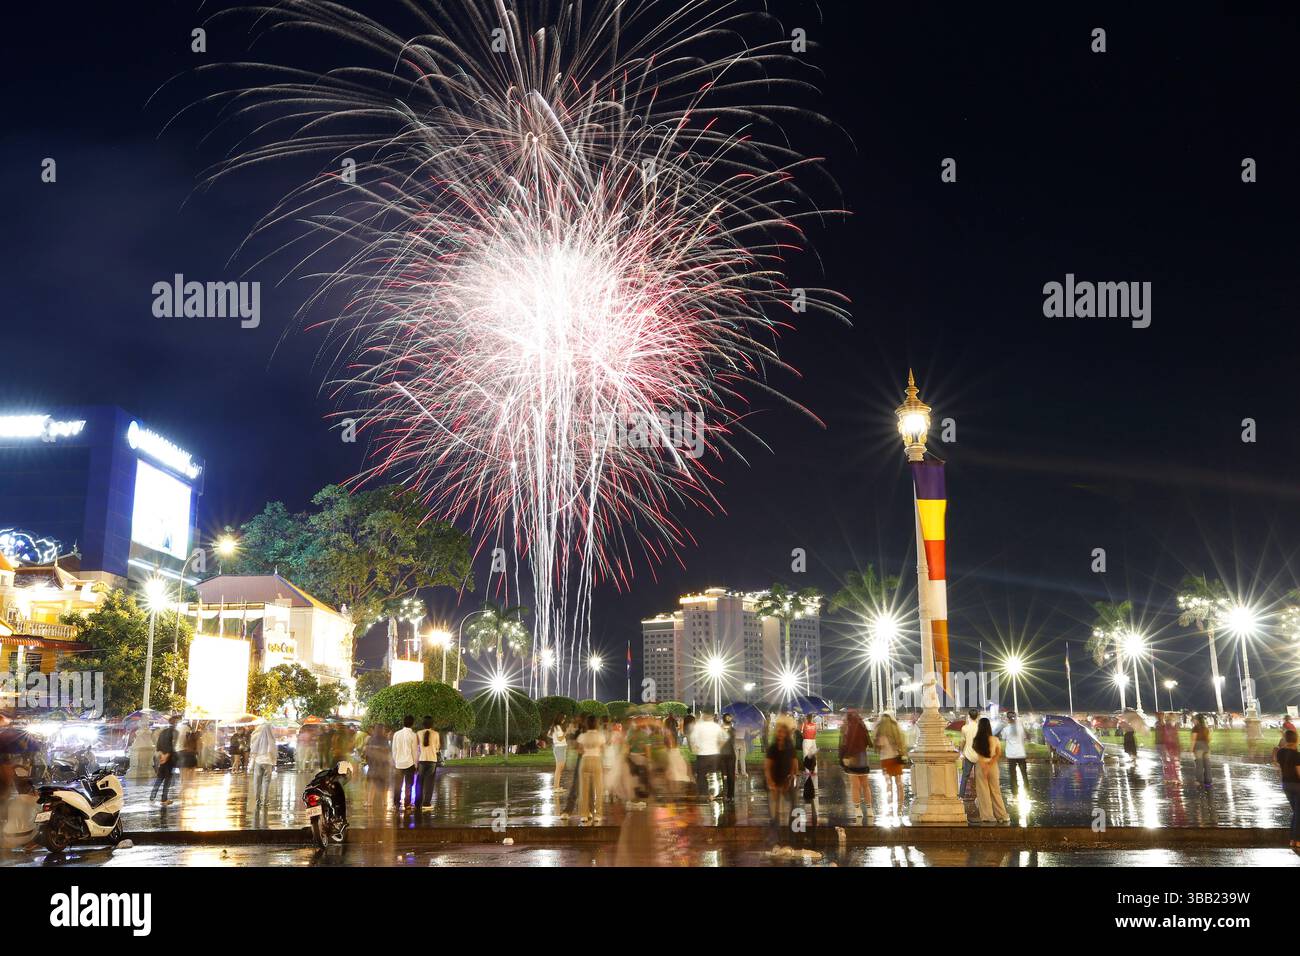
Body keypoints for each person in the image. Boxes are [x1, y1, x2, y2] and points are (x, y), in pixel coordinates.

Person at [764, 721, 800, 839]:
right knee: (775, 807)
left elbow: (794, 762)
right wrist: (770, 781)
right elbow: (768, 765)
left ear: (786, 734)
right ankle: (775, 830)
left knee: (793, 803)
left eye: (783, 732)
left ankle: (792, 831)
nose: (781, 734)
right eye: (779, 732)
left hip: (788, 779)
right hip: (776, 778)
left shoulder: (790, 747)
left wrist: (793, 775)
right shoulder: (773, 748)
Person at [972, 717, 1009, 824]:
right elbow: (998, 753)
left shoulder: (976, 740)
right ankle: (1002, 815)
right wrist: (990, 765)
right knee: (996, 791)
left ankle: (988, 816)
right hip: (993, 767)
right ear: (989, 727)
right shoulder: (995, 739)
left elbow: (979, 756)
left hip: (981, 766)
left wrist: (984, 767)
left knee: (983, 792)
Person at [838, 709, 873, 822]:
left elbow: (844, 744)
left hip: (852, 757)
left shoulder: (847, 727)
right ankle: (869, 810)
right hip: (863, 757)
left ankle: (858, 811)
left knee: (855, 786)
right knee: (865, 785)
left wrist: (843, 757)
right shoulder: (862, 725)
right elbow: (868, 741)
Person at [874, 713, 908, 815]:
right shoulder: (896, 731)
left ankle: (890, 807)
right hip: (896, 759)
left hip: (885, 760)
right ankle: (900, 808)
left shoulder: (881, 732)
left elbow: (878, 747)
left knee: (889, 784)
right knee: (899, 784)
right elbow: (902, 744)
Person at [576, 715, 607, 824]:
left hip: (585, 761)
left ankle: (584, 814)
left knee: (584, 789)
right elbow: (603, 750)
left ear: (587, 724)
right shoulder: (601, 736)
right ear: (597, 724)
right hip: (596, 760)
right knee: (598, 789)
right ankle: (597, 815)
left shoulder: (582, 736)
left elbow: (579, 751)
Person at [689, 712, 726, 799]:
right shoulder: (716, 726)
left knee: (702, 774)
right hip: (713, 754)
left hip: (702, 754)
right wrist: (719, 748)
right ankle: (713, 794)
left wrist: (695, 748)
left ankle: (704, 793)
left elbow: (692, 740)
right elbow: (723, 738)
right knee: (713, 773)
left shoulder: (698, 727)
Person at [1274, 729, 1300, 850]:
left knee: (1296, 813)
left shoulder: (1281, 753)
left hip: (1285, 785)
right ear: (1296, 739)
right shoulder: (1297, 755)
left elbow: (1280, 767)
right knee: (1298, 814)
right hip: (1297, 785)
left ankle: (1292, 840)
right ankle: (1297, 840)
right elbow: (1298, 772)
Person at [390, 715, 419, 811]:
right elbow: (414, 751)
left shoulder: (396, 734)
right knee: (408, 785)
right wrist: (416, 764)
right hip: (409, 763)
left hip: (398, 764)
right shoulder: (413, 735)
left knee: (398, 785)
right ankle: (407, 804)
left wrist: (395, 761)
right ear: (412, 723)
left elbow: (394, 750)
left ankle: (396, 804)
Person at [150, 715, 181, 805]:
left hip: (162, 756)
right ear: (175, 723)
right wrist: (167, 755)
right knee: (167, 779)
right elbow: (172, 745)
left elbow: (158, 744)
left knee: (160, 777)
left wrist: (161, 755)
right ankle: (164, 799)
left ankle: (152, 796)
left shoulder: (163, 731)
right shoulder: (175, 732)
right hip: (169, 757)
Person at [999, 712, 1030, 795]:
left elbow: (1003, 738)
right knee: (1024, 773)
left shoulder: (1006, 729)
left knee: (1013, 775)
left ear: (1007, 719)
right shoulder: (1021, 728)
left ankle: (1014, 791)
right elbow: (1026, 737)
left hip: (1011, 754)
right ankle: (1027, 788)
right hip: (1021, 753)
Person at [249, 719, 277, 807]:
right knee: (266, 782)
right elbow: (273, 751)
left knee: (257, 782)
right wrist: (273, 762)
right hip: (268, 762)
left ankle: (257, 800)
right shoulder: (271, 738)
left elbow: (253, 749)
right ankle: (265, 801)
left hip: (258, 761)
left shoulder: (256, 735)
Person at [416, 717, 441, 809]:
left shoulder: (418, 733)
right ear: (432, 724)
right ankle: (426, 803)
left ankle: (418, 802)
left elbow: (417, 747)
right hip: (432, 760)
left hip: (422, 760)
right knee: (429, 783)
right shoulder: (436, 734)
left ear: (423, 724)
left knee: (420, 782)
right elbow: (437, 748)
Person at [959, 708, 980, 799]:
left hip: (968, 754)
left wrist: (961, 752)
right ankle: (979, 796)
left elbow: (962, 742)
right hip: (979, 755)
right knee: (979, 777)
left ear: (969, 717)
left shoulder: (965, 728)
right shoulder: (980, 728)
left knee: (965, 776)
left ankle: (961, 796)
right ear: (977, 717)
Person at [719, 714, 737, 800]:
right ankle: (727, 794)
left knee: (729, 775)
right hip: (725, 755)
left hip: (728, 755)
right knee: (725, 775)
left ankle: (730, 795)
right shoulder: (722, 730)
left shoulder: (732, 730)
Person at [1191, 715, 1212, 790]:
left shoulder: (1195, 728)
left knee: (1199, 765)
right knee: (1207, 765)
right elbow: (1209, 739)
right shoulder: (1206, 728)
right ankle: (1208, 781)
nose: (1193, 721)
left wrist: (1191, 749)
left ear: (1197, 720)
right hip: (1206, 747)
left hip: (1198, 747)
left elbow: (1193, 739)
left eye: (1194, 720)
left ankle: (1199, 781)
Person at [548, 719, 568, 790]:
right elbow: (560, 738)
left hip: (559, 747)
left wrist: (554, 738)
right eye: (563, 718)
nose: (563, 720)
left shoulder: (554, 727)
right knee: (559, 768)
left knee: (560, 768)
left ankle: (557, 786)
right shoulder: (557, 727)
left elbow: (549, 734)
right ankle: (556, 787)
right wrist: (566, 732)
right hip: (560, 748)